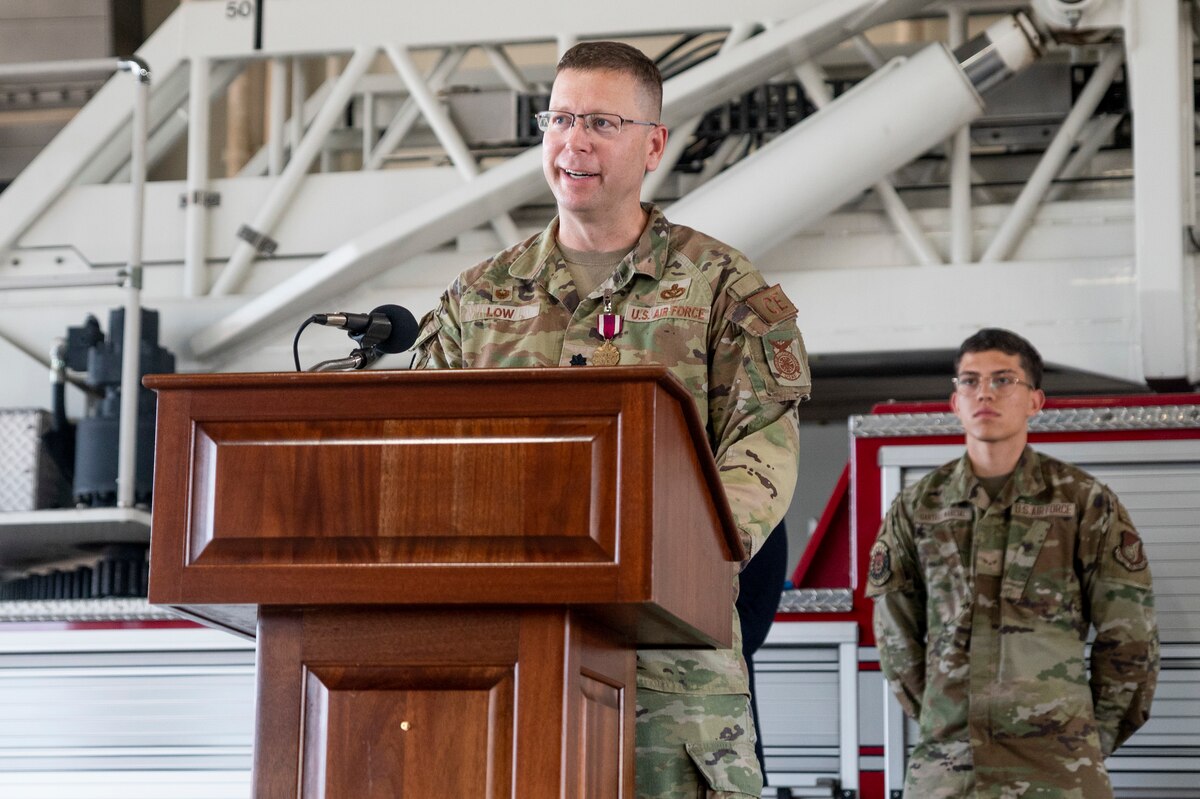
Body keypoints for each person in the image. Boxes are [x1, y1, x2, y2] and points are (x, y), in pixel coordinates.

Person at [411, 41, 809, 798]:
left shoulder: (721, 285)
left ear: (653, 143)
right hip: (505, 666)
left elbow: (762, 448)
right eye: (559, 118)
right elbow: (427, 454)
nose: (575, 141)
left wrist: (673, 561)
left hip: (670, 669)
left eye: (601, 120)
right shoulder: (477, 298)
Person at [866, 328, 1159, 799]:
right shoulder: (917, 507)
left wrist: (1089, 739)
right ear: (955, 402)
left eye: (1004, 380)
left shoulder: (1084, 503)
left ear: (1035, 401)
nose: (984, 392)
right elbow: (896, 639)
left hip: (1058, 768)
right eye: (970, 381)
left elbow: (1130, 637)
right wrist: (947, 720)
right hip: (949, 772)